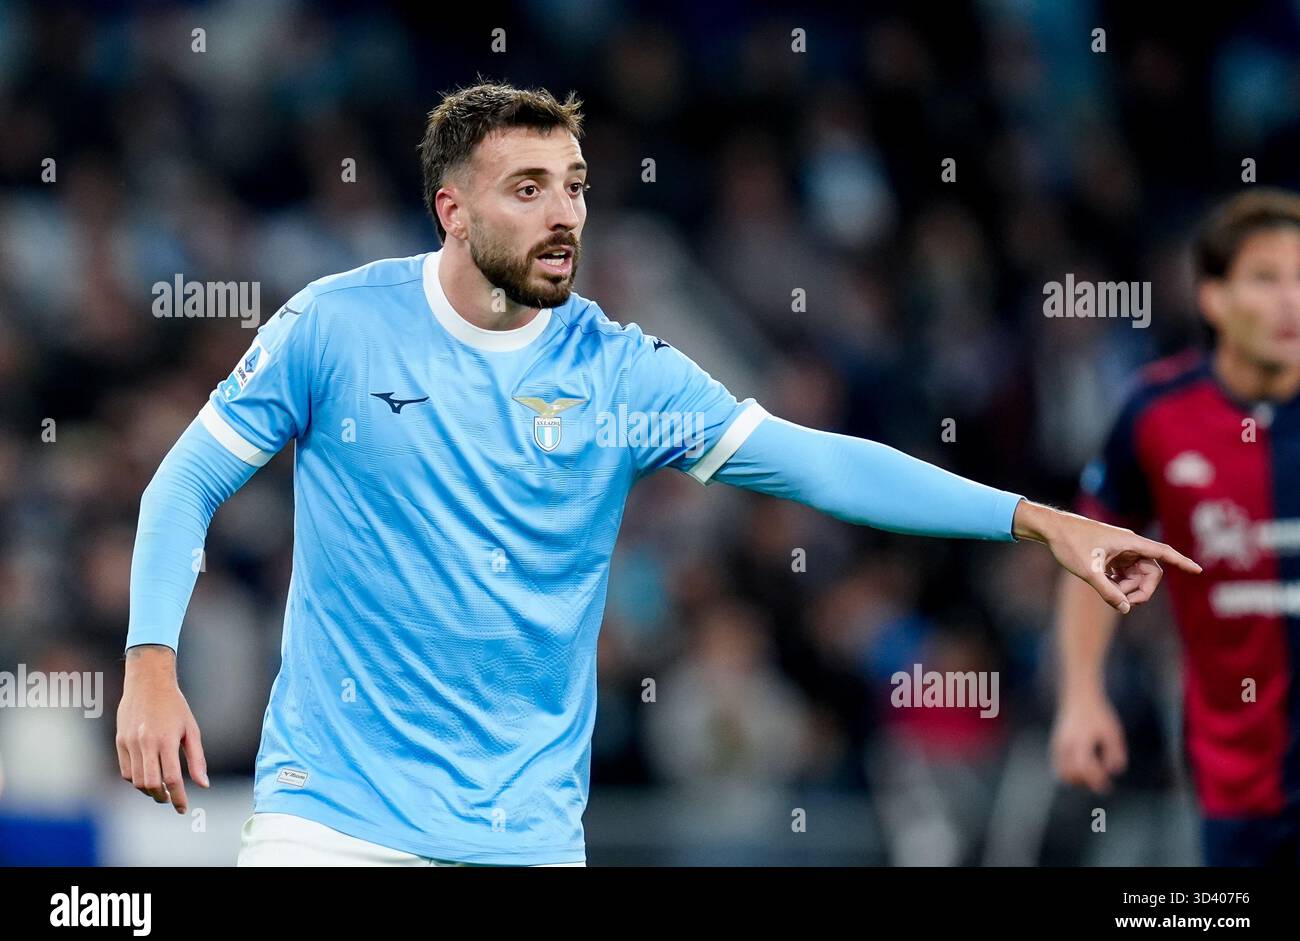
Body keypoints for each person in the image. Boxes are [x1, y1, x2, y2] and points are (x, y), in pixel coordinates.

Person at [119, 82, 1198, 866]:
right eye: (528, 188)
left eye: (575, 188)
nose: (563, 215)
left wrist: (1038, 520)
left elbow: (817, 463)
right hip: (331, 820)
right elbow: (185, 484)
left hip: (526, 834)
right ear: (452, 209)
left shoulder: (622, 370)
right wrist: (151, 664)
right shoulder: (337, 325)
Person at [1052, 188, 1300, 866]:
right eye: (1267, 279)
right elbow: (1090, 547)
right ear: (1215, 298)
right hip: (1235, 774)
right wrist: (1081, 695)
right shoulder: (1157, 412)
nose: (1291, 301)